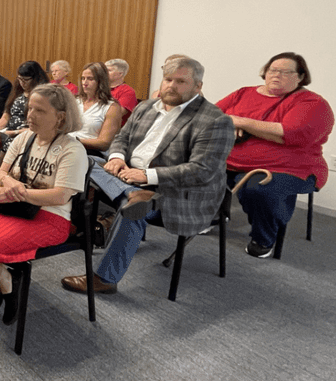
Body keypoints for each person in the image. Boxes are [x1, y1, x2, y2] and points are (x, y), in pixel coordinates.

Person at [60, 57, 234, 295]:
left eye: (180, 81)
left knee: (131, 212)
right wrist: (117, 158)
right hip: (129, 178)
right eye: (168, 79)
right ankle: (131, 196)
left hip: (176, 191)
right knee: (84, 159)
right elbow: (121, 138)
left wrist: (146, 175)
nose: (171, 86)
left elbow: (202, 170)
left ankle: (105, 278)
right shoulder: (147, 107)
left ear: (198, 86)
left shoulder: (215, 120)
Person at [0, 84, 88, 325]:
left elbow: (61, 196)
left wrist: (19, 191)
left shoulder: (72, 150)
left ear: (60, 117)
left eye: (40, 111)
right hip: (12, 204)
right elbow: (1, 173)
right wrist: (10, 185)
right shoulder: (24, 137)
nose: (30, 115)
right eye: (30, 108)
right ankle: (4, 281)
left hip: (50, 217)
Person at [216, 52, 334, 258]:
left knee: (259, 189)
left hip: (291, 169)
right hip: (231, 162)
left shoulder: (312, 103)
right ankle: (210, 217)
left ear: (300, 77)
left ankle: (263, 238)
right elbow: (214, 116)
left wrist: (241, 122)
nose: (277, 75)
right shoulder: (243, 93)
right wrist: (230, 123)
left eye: (286, 72)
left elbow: (291, 134)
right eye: (273, 70)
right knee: (197, 171)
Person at [71, 62, 123, 153]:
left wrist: (74, 140)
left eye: (90, 79)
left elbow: (104, 143)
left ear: (101, 81)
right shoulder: (74, 101)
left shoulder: (111, 107)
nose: (85, 83)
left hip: (90, 152)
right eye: (83, 78)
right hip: (67, 147)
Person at [0, 61, 50, 151]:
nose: (22, 82)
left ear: (35, 79)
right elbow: (6, 115)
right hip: (9, 132)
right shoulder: (18, 91)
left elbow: (38, 125)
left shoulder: (43, 94)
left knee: (10, 144)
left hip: (27, 134)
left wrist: (13, 132)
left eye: (25, 80)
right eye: (19, 79)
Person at [105, 58, 138, 126]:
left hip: (115, 129)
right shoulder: (100, 88)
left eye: (109, 70)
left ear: (120, 74)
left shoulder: (128, 91)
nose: (104, 73)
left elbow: (116, 114)